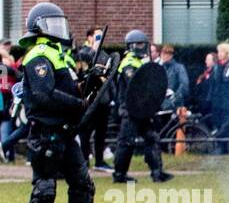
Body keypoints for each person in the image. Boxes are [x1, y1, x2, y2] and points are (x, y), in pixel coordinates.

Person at [17, 2, 112, 203]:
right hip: (46, 132)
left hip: (66, 132)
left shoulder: (61, 55)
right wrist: (79, 104)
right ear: (39, 28)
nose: (60, 29)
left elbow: (70, 90)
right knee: (45, 188)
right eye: (52, 23)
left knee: (83, 184)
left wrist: (89, 82)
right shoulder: (38, 55)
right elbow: (44, 94)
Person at [111, 30, 170, 184]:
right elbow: (135, 87)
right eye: (138, 44)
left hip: (142, 110)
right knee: (126, 142)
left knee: (152, 138)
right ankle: (119, 175)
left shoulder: (141, 63)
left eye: (142, 44)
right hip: (130, 110)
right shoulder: (128, 64)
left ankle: (157, 172)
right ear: (130, 46)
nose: (141, 47)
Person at [76, 29, 114, 170]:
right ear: (90, 37)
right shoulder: (83, 53)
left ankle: (99, 161)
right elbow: (81, 74)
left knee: (101, 131)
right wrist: (94, 51)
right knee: (85, 131)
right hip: (90, 100)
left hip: (103, 100)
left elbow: (110, 76)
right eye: (97, 36)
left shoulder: (106, 56)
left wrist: (111, 96)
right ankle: (85, 160)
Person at [211, 42, 229, 152]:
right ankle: (223, 147)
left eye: (221, 51)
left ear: (227, 53)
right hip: (219, 100)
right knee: (221, 122)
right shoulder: (218, 66)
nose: (218, 54)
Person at [160, 45, 190, 113]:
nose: (164, 56)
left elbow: (184, 85)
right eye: (163, 54)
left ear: (171, 55)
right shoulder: (159, 68)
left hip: (175, 106)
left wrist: (174, 96)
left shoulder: (179, 68)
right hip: (160, 104)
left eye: (167, 54)